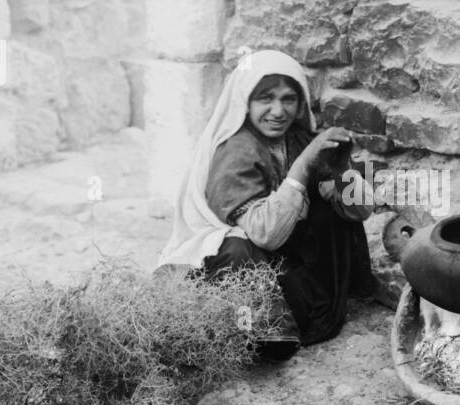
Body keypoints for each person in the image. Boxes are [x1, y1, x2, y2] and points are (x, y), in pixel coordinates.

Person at [158, 50, 375, 359]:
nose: (277, 111)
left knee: (331, 212)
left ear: (300, 104)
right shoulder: (234, 152)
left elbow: (362, 211)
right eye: (265, 99)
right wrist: (303, 167)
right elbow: (264, 234)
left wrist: (343, 171)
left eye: (288, 99)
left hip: (286, 263)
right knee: (233, 247)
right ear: (245, 102)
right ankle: (262, 329)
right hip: (243, 270)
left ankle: (317, 306)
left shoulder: (300, 139)